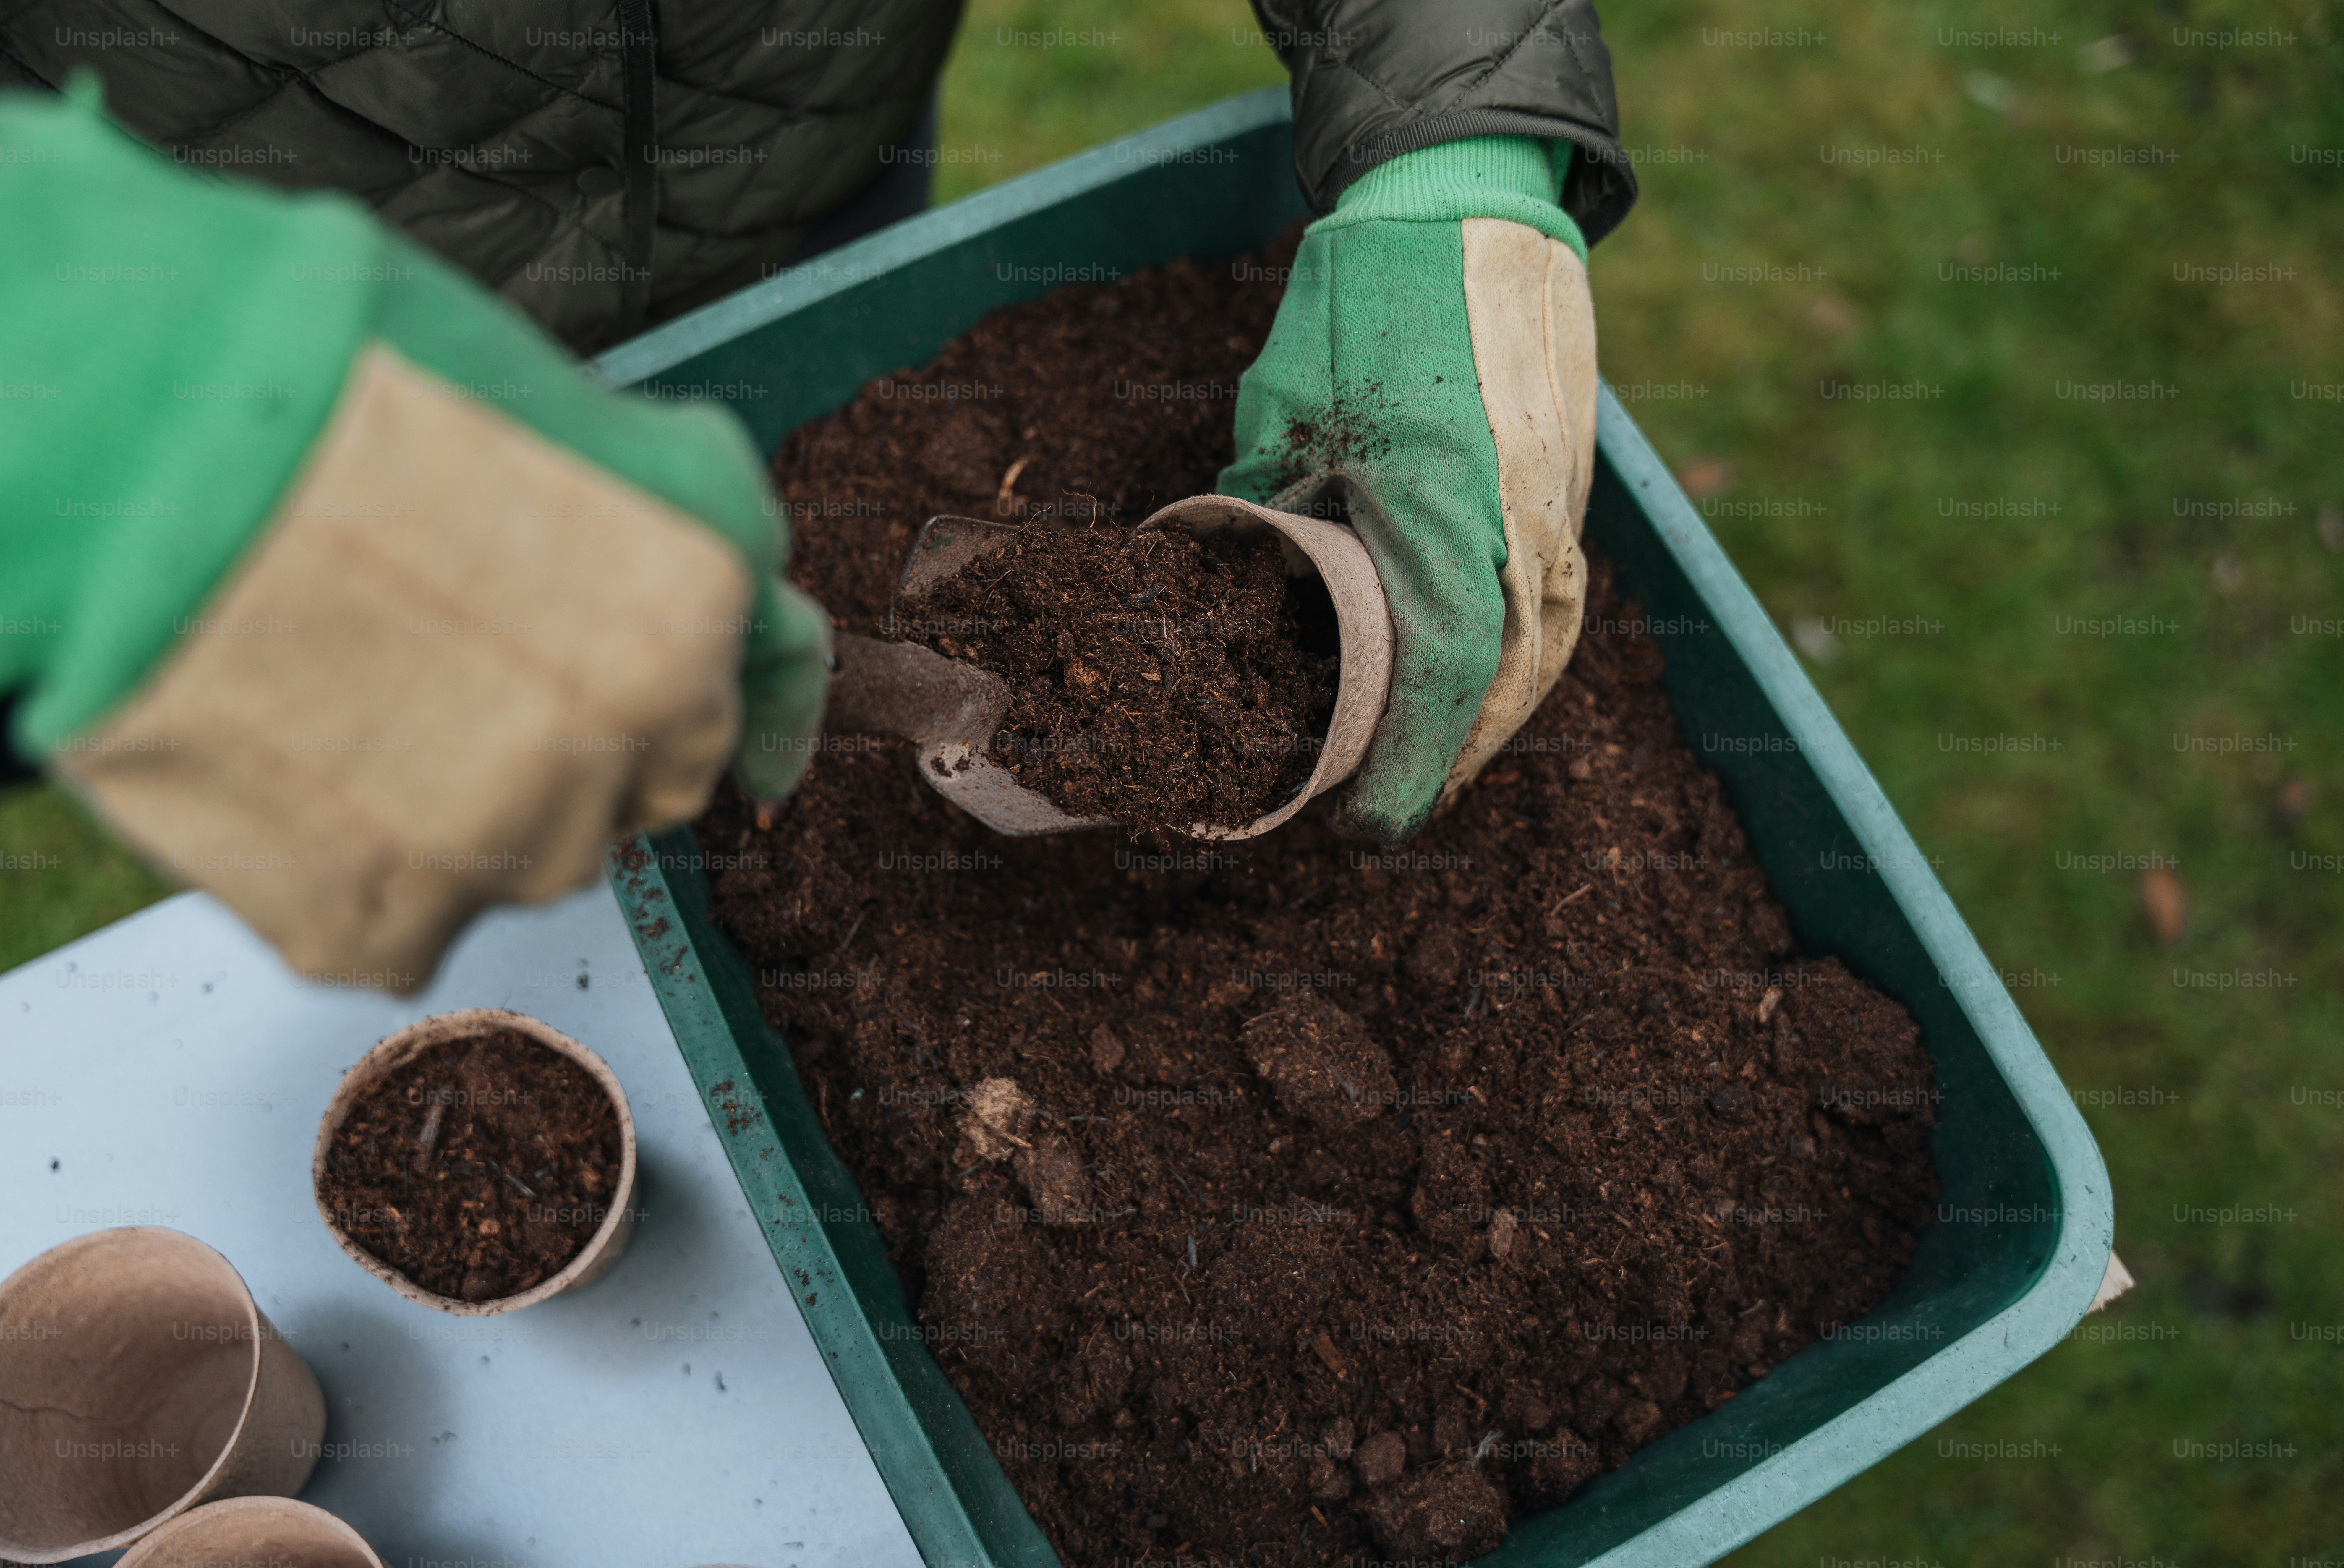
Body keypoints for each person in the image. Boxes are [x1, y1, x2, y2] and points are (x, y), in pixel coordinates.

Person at [0, 4, 1635, 989]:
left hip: (792, 148)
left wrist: (1454, 133)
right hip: (224, 248)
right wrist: (91, 406)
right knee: (438, 785)